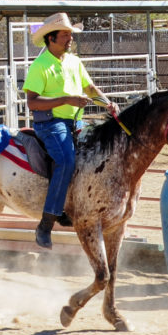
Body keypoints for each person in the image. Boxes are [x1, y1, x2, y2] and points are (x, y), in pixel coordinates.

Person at [23, 13, 120, 250]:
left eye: (70, 35)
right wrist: (67, 99)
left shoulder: (74, 62)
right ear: (51, 38)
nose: (70, 39)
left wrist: (106, 102)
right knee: (66, 160)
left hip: (75, 122)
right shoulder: (40, 66)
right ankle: (47, 222)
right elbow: (32, 103)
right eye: (65, 35)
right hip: (50, 123)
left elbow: (89, 87)